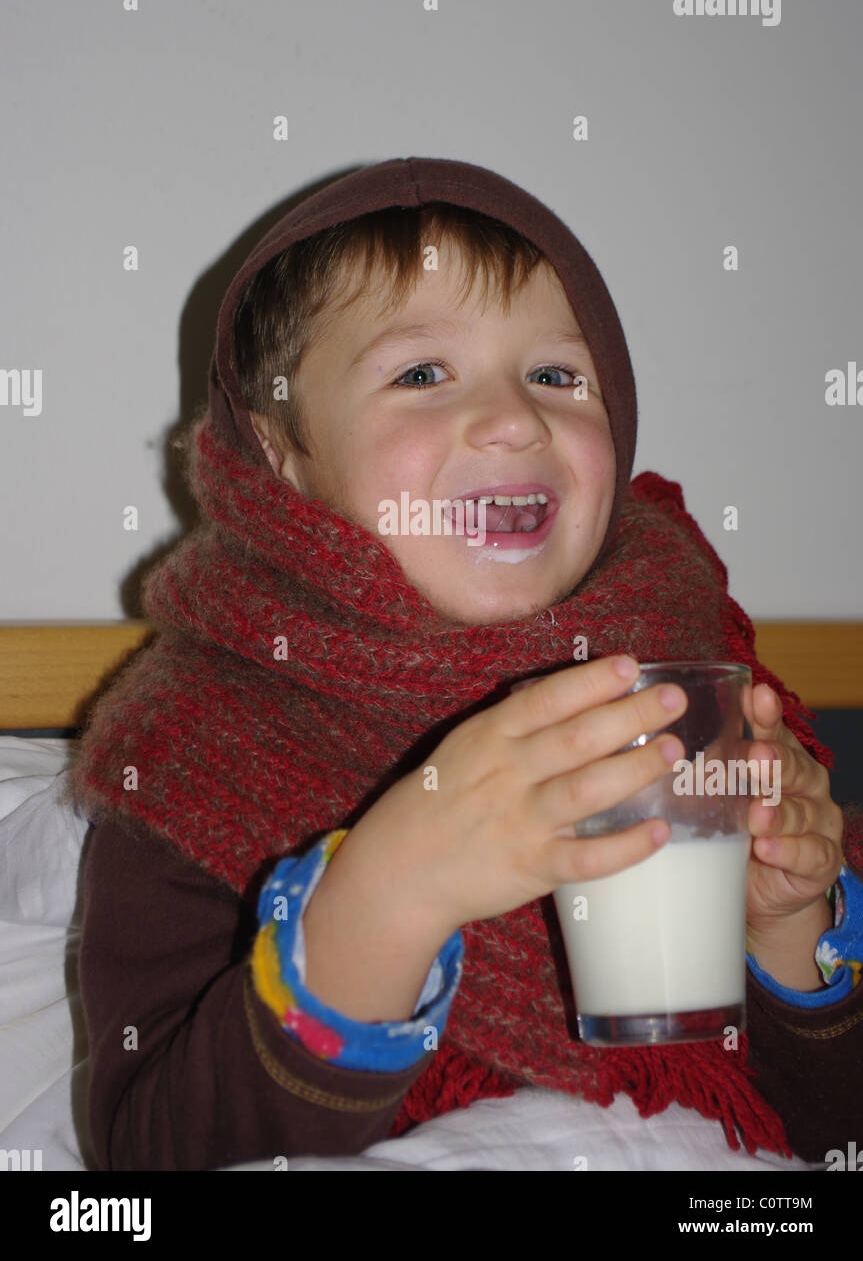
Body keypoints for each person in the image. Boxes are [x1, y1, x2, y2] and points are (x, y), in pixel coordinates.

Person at [69, 156, 863, 1172]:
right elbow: (144, 1164)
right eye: (419, 374)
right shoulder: (189, 750)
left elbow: (832, 1138)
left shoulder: (695, 678)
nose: (512, 419)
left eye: (554, 376)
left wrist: (791, 930)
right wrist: (386, 896)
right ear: (281, 452)